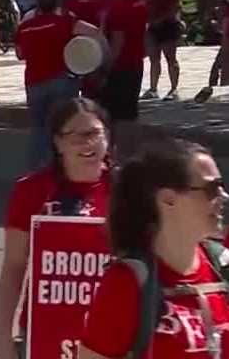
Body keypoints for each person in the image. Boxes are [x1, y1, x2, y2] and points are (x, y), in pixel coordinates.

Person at [79, 139, 229, 359]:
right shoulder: (127, 282)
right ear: (168, 199)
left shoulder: (223, 264)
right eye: (211, 188)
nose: (223, 196)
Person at [0, 98, 113, 359]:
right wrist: (3, 337)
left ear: (107, 136)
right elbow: (14, 266)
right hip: (44, 334)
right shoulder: (31, 190)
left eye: (93, 133)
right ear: (58, 143)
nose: (86, 142)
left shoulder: (128, 190)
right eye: (75, 135)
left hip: (112, 336)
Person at [16, 0, 105, 169]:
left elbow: (20, 54)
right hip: (61, 79)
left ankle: (37, 170)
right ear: (57, 2)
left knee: (39, 128)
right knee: (64, 127)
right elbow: (95, 32)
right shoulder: (66, 23)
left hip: (34, 83)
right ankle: (62, 168)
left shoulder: (25, 26)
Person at [99, 0, 148, 132]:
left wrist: (105, 69)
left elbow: (117, 43)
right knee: (130, 115)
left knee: (113, 118)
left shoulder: (118, 7)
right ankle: (130, 153)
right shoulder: (140, 2)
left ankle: (118, 154)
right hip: (136, 65)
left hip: (120, 68)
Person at [141, 0, 182, 102]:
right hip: (153, 25)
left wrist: (162, 19)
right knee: (153, 58)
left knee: (170, 58)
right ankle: (153, 88)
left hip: (168, 24)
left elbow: (175, 6)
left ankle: (174, 88)